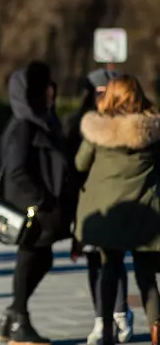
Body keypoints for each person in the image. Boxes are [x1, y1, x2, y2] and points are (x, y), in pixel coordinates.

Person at [74, 75, 160, 345]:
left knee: (109, 268)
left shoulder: (99, 132)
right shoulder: (152, 130)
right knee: (146, 274)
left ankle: (108, 331)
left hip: (109, 213)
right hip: (145, 211)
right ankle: (157, 326)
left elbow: (79, 164)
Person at [0, 62, 72, 345]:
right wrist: (40, 200)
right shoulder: (24, 124)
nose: (52, 90)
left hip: (40, 208)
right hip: (31, 210)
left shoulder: (43, 119)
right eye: (45, 87)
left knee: (40, 258)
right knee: (30, 260)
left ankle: (12, 317)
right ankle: (19, 322)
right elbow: (15, 169)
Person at [65, 68, 133, 345]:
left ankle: (118, 313)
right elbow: (75, 165)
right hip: (89, 201)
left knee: (114, 259)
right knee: (95, 259)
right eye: (98, 92)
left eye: (108, 92)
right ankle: (101, 318)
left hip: (118, 201)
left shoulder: (129, 122)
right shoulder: (83, 124)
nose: (103, 98)